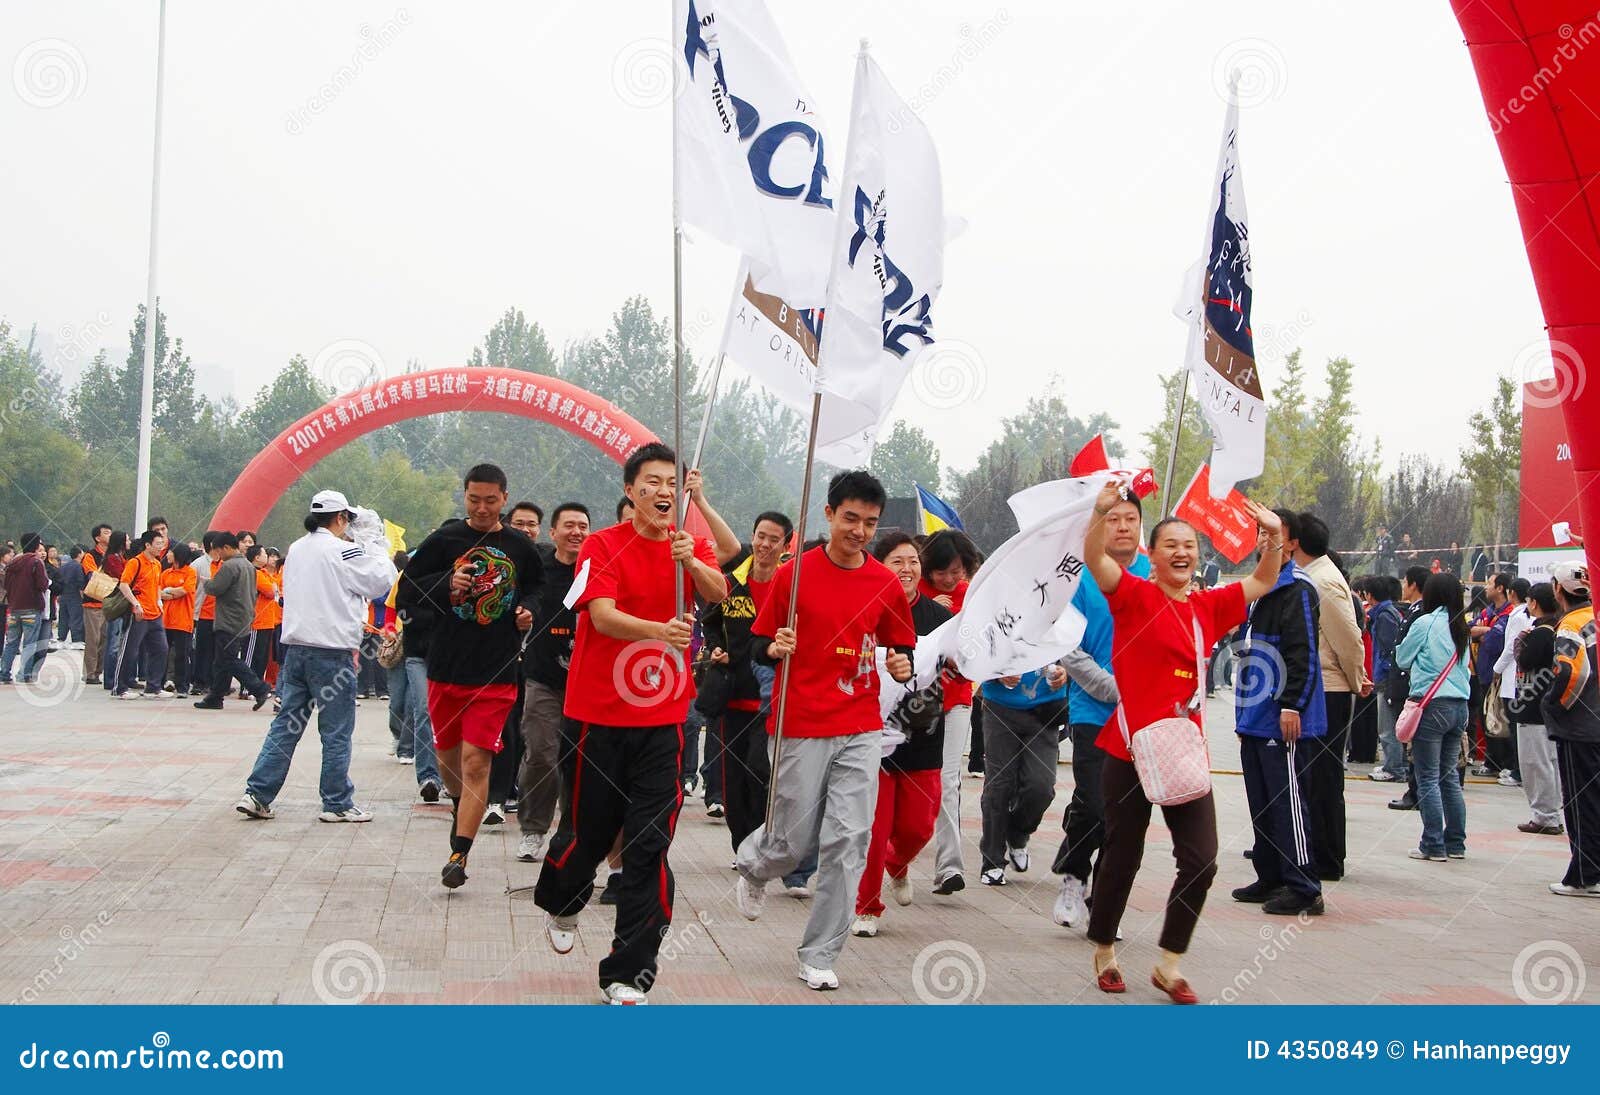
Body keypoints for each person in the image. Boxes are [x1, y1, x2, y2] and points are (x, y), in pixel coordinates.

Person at [534, 443, 727, 1005]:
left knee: (648, 846)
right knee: (587, 834)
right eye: (652, 482)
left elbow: (718, 593)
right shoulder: (602, 544)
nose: (664, 491)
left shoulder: (688, 546)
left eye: (672, 482)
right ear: (630, 489)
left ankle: (628, 970)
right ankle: (564, 901)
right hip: (597, 718)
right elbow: (602, 615)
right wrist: (659, 631)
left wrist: (692, 562)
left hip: (664, 721)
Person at [1081, 478, 1286, 1003]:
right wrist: (1100, 516)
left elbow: (1263, 580)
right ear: (1152, 554)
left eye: (1189, 546)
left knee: (1202, 858)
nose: (1181, 552)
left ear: (1198, 556)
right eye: (1170, 544)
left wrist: (1273, 537)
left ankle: (1169, 964)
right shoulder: (1133, 593)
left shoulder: (1209, 607)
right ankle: (1104, 948)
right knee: (1120, 854)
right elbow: (1098, 561)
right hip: (1127, 747)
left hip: (1183, 749)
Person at [733, 470, 916, 993]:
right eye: (850, 518)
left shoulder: (883, 582)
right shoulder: (794, 575)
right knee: (794, 842)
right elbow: (756, 644)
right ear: (830, 515)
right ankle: (755, 864)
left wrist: (901, 664)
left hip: (859, 725)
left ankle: (819, 952)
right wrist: (775, 647)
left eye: (870, 523)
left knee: (849, 840)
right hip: (800, 722)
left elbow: (898, 644)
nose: (859, 530)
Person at [397, 465, 544, 888]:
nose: (482, 508)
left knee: (476, 761)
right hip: (445, 668)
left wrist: (527, 609)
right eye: (474, 499)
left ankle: (459, 854)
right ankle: (463, 804)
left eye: (491, 500)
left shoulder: (519, 545)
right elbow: (406, 591)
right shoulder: (444, 540)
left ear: (504, 497)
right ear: (464, 496)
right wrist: (447, 583)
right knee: (449, 763)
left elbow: (537, 588)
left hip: (496, 672)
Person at [235, 491, 397, 822]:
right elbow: (383, 579)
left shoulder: (297, 548)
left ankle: (258, 794)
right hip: (332, 654)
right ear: (340, 518)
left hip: (296, 650)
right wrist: (374, 541)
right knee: (336, 731)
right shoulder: (343, 550)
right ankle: (337, 802)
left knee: (285, 726)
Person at [1052, 490, 1146, 928]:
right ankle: (1074, 874)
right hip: (1093, 709)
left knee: (1126, 812)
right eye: (1113, 519)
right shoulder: (1080, 577)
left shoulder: (1155, 574)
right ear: (1098, 526)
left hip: (1143, 716)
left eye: (1130, 518)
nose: (1122, 526)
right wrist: (1111, 686)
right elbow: (1067, 645)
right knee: (1093, 801)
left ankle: (1105, 899)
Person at [850, 532, 951, 938]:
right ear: (880, 566)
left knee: (918, 827)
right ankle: (867, 906)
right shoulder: (864, 608)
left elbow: (958, 664)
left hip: (922, 732)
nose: (907, 569)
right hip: (871, 735)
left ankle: (899, 861)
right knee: (874, 828)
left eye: (913, 561)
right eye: (897, 561)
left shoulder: (939, 618)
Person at [1230, 510, 1326, 917]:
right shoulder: (1260, 588)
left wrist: (1291, 705)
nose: (1263, 541)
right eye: (1259, 534)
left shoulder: (1298, 590)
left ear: (1291, 543)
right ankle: (1269, 873)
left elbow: (1302, 652)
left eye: (1272, 535)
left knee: (1287, 801)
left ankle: (1305, 887)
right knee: (1262, 800)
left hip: (1280, 715)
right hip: (1253, 714)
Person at [693, 508, 792, 854]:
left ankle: (764, 841)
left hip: (774, 699)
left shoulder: (791, 586)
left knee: (760, 771)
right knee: (732, 780)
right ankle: (743, 847)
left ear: (786, 544)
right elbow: (709, 621)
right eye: (760, 536)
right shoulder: (731, 580)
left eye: (773, 539)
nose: (764, 544)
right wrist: (717, 648)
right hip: (732, 695)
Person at [1294, 512, 1371, 882]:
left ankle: (1328, 858)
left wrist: (1357, 680)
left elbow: (1348, 640)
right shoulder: (1310, 576)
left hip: (1331, 690)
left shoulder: (1324, 581)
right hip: (1318, 688)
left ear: (1296, 542)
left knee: (1324, 776)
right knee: (1310, 774)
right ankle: (1313, 849)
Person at [515, 502, 591, 863]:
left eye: (583, 526)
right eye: (569, 526)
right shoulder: (537, 570)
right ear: (554, 532)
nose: (577, 532)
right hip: (543, 677)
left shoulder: (597, 570)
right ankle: (532, 829)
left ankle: (574, 832)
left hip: (589, 682)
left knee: (581, 761)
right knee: (542, 754)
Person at [1393, 572, 1473, 863]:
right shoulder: (1461, 627)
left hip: (1431, 706)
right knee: (1449, 776)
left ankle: (1433, 844)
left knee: (1427, 776)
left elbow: (1402, 659)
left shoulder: (1424, 623)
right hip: (1459, 707)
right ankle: (1456, 843)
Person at [919, 529, 982, 895]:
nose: (949, 578)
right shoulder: (916, 591)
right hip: (914, 702)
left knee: (948, 781)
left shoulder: (971, 595)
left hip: (956, 696)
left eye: (957, 570)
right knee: (915, 783)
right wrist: (931, 613)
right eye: (943, 571)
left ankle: (950, 866)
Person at [1540, 563, 1600, 896]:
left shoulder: (1570, 625)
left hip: (1581, 727)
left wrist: (1554, 704)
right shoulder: (1596, 616)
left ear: (1558, 590)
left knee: (1580, 802)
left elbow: (1571, 673)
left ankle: (1584, 875)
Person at [1505, 582, 1564, 836]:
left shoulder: (1541, 633)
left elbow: (1525, 660)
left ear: (1534, 603)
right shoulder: (1559, 630)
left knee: (1534, 763)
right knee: (1549, 763)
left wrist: (1520, 640)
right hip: (1547, 707)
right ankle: (1552, 812)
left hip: (1532, 707)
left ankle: (1545, 815)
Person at [387, 552, 442, 804]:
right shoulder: (408, 579)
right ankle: (428, 777)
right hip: (417, 655)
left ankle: (454, 775)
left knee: (450, 714)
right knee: (422, 708)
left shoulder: (463, 579)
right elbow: (399, 611)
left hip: (453, 658)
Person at [195, 534, 271, 711]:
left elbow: (215, 588)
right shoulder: (249, 566)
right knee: (221, 660)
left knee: (228, 658)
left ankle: (260, 688)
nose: (218, 555)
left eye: (219, 550)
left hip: (229, 619)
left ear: (227, 548)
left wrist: (206, 583)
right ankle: (215, 697)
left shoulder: (229, 566)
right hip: (243, 617)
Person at [113, 531, 170, 698]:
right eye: (158, 543)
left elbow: (157, 585)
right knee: (130, 651)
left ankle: (153, 687)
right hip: (139, 614)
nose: (161, 547)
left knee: (161, 649)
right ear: (148, 545)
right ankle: (120, 688)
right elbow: (123, 585)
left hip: (155, 614)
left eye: (162, 543)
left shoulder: (157, 564)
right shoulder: (135, 562)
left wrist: (159, 601)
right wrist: (135, 604)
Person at [1362, 575, 1406, 782]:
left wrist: (1386, 674)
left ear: (1369, 595)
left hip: (1387, 678)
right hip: (1388, 676)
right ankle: (1394, 764)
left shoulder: (1384, 616)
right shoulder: (1386, 613)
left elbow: (1389, 650)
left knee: (1387, 726)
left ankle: (1394, 768)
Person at [0, 534, 49, 685]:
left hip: (14, 608)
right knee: (29, 643)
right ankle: (24, 674)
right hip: (32, 608)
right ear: (36, 545)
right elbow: (43, 584)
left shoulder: (13, 562)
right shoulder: (36, 562)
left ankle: (4, 673)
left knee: (11, 643)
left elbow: (6, 585)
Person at [160, 543, 198, 695]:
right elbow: (158, 592)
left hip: (183, 619)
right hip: (166, 618)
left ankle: (182, 686)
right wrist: (171, 593)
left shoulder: (190, 572)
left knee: (182, 654)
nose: (168, 555)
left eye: (170, 552)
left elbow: (186, 590)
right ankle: (160, 683)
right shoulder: (166, 573)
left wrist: (168, 591)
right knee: (163, 652)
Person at [80, 524, 112, 684]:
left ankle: (98, 671)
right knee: (93, 639)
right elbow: (92, 576)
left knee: (104, 640)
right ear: (97, 538)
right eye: (106, 533)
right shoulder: (90, 556)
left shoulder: (112, 555)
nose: (109, 535)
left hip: (107, 604)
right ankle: (90, 673)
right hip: (92, 604)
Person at [99, 531, 129, 690]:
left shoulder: (119, 557)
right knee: (113, 644)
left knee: (116, 642)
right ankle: (110, 678)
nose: (129, 541)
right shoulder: (112, 559)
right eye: (127, 539)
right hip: (115, 603)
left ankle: (113, 677)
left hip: (121, 603)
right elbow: (123, 576)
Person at [56, 546, 86, 649]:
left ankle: (61, 639)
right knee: (76, 617)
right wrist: (83, 596)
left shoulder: (63, 567)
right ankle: (76, 640)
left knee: (63, 617)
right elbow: (80, 582)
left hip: (63, 595)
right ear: (79, 554)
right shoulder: (78, 566)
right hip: (75, 595)